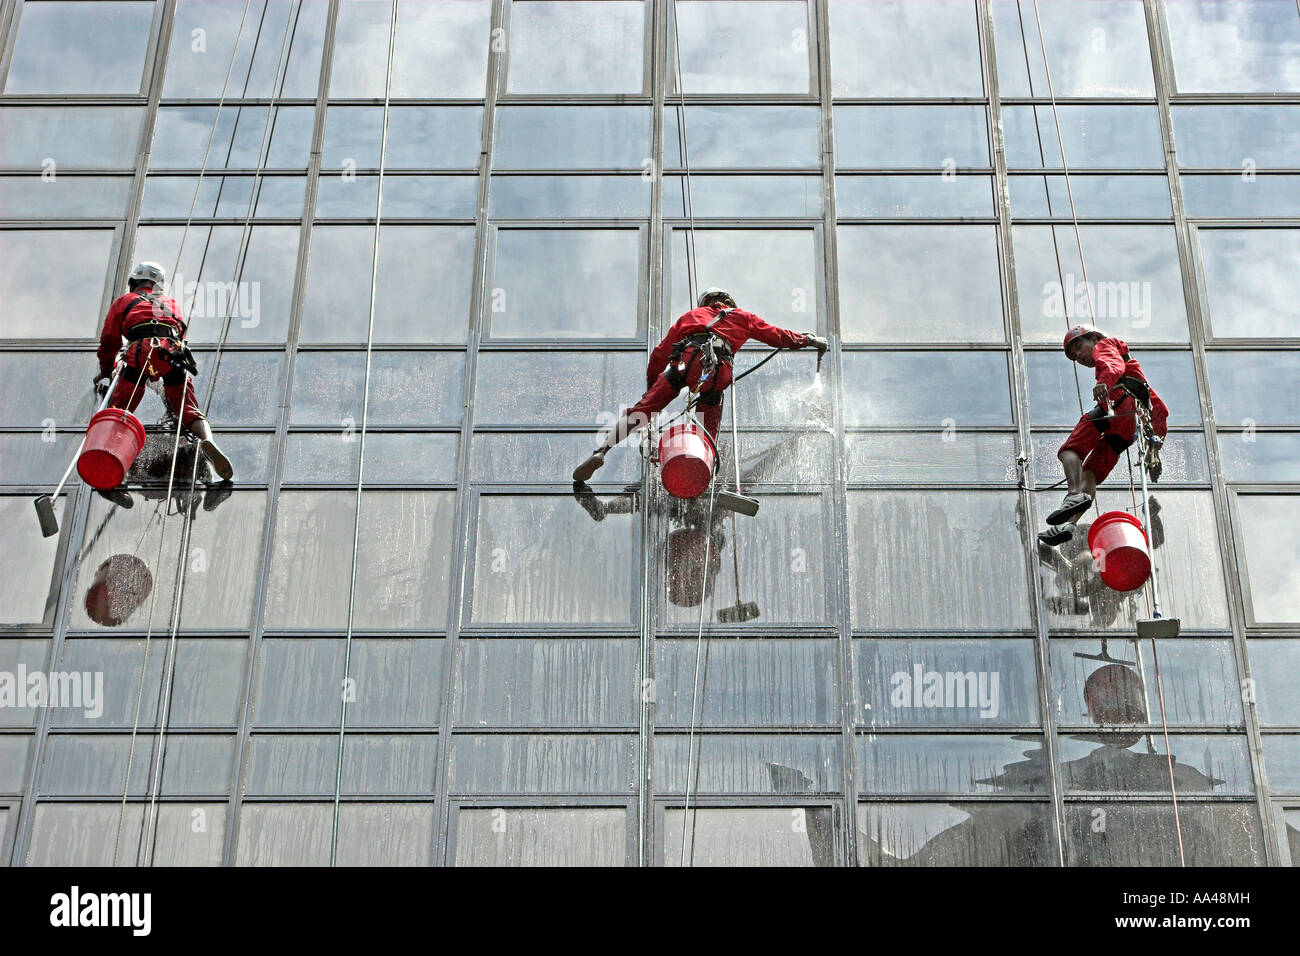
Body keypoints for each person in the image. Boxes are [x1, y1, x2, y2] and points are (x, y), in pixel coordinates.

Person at [572, 287, 827, 482]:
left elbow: (659, 355)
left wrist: (652, 389)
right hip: (719, 372)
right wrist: (808, 340)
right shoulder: (744, 317)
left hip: (686, 363)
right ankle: (703, 465)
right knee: (708, 429)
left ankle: (602, 451)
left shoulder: (690, 316)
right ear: (729, 303)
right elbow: (778, 336)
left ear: (705, 303)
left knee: (643, 410)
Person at [96, 261, 233, 483]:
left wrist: (106, 369)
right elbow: (180, 332)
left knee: (119, 411)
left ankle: (113, 463)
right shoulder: (172, 303)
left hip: (141, 354)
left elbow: (109, 342)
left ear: (133, 282)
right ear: (158, 284)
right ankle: (207, 440)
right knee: (188, 409)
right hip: (173, 354)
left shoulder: (124, 302)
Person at [1039, 325, 1167, 546]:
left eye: (1079, 347)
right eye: (1075, 356)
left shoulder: (1105, 344)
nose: (1079, 356)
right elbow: (1161, 411)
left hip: (1116, 407)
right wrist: (1155, 450)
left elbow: (1111, 364)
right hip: (1127, 431)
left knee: (1069, 451)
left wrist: (1103, 382)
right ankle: (1069, 523)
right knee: (1091, 473)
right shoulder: (1136, 375)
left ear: (1093, 338)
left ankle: (1073, 495)